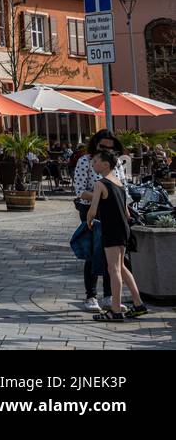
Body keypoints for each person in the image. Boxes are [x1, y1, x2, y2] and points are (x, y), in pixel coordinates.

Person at [87, 149, 147, 321]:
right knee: (121, 267)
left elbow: (93, 209)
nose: (93, 164)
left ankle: (115, 310)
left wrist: (89, 221)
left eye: (96, 161)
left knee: (113, 269)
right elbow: (127, 213)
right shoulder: (119, 184)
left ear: (106, 164)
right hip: (123, 230)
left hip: (111, 230)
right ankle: (138, 304)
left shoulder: (101, 184)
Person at [73, 129, 126, 311]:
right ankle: (91, 295)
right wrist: (100, 195)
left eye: (109, 148)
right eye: (102, 146)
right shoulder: (85, 161)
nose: (105, 150)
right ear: (95, 143)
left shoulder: (116, 163)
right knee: (93, 252)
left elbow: (122, 186)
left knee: (112, 255)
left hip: (112, 212)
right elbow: (80, 191)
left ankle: (109, 295)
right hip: (91, 210)